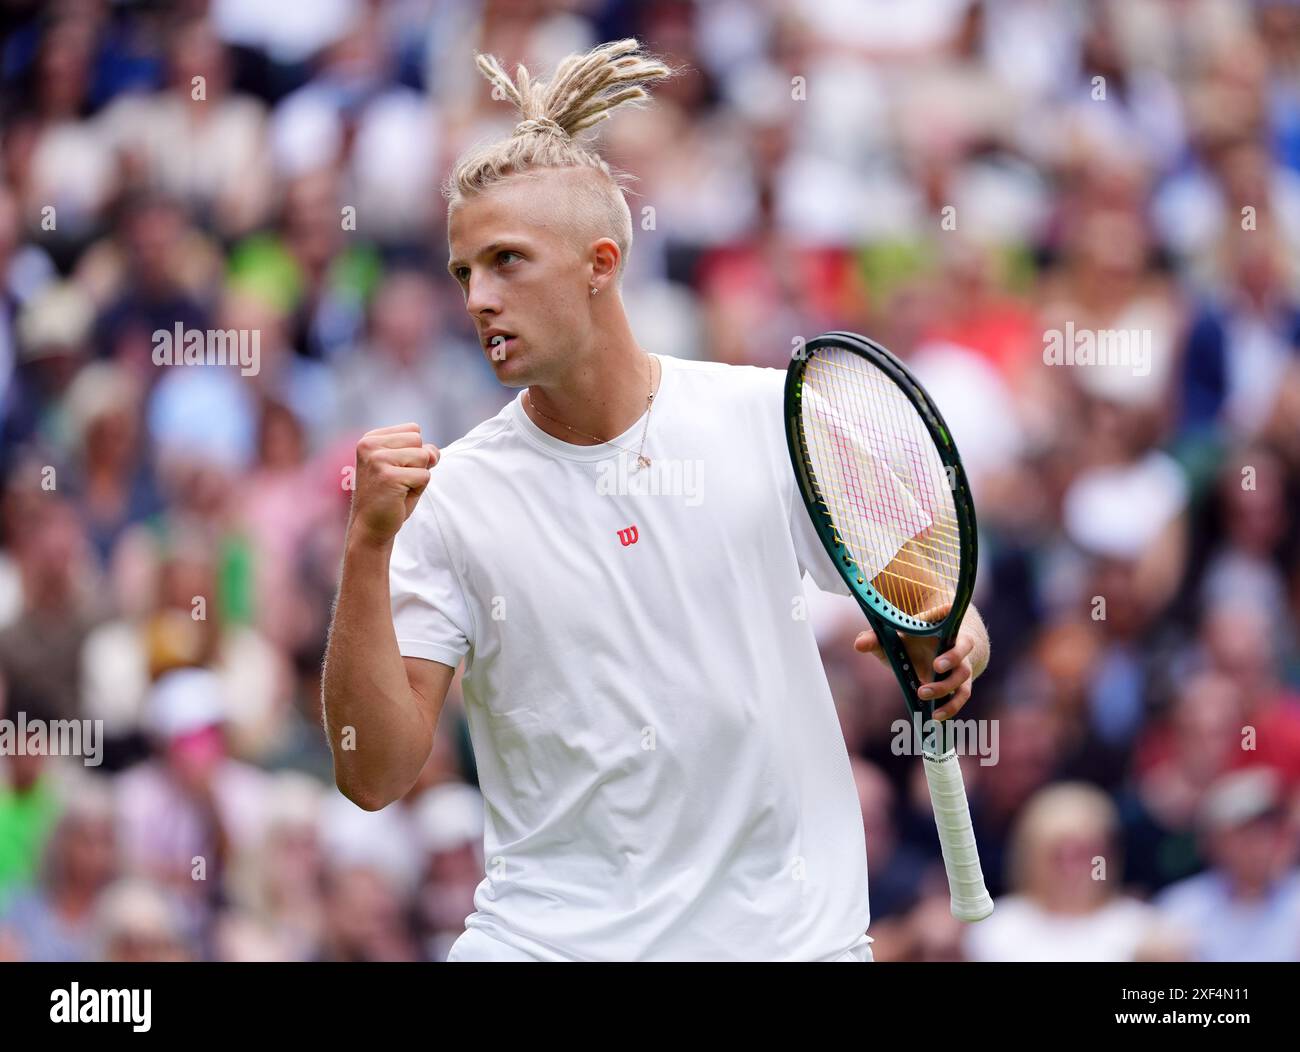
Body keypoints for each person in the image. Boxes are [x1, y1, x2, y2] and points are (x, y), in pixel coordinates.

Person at [322, 38, 991, 962]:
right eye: (462, 273)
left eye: (507, 262)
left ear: (600, 263)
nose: (477, 297)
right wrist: (364, 551)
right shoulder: (450, 496)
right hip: (547, 944)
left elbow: (933, 597)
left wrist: (955, 640)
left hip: (789, 942)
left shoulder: (767, 416)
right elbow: (372, 772)